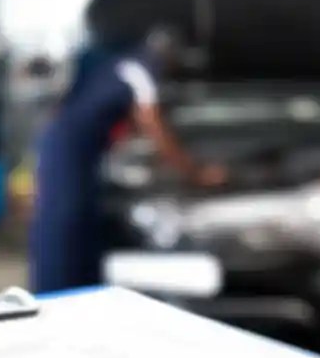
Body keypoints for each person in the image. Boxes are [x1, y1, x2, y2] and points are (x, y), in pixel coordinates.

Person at [29, 27, 224, 293]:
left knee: (80, 223)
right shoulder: (140, 71)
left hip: (76, 150)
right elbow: (154, 127)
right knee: (65, 223)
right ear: (167, 55)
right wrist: (194, 172)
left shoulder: (123, 64)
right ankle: (57, 296)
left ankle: (82, 292)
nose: (172, 69)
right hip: (68, 150)